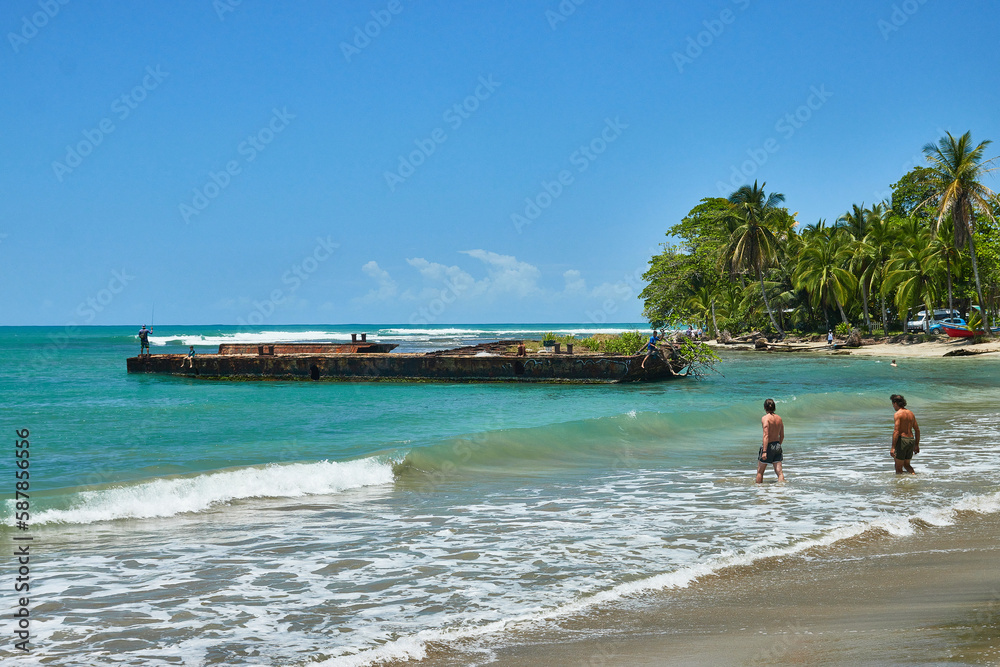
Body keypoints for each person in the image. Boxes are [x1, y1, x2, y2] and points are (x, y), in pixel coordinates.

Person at [756, 398, 785, 483]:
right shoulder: (779, 418)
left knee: (760, 472)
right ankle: (781, 489)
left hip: (768, 446)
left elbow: (766, 435)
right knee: (779, 473)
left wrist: (764, 451)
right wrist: (778, 445)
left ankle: (759, 491)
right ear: (774, 407)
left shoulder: (765, 418)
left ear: (765, 407)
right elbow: (782, 436)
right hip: (777, 445)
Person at [890, 394, 920, 474]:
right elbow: (917, 430)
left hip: (902, 441)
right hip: (911, 440)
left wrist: (893, 447)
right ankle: (914, 478)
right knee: (907, 465)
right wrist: (916, 445)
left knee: (898, 467)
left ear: (895, 403)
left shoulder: (898, 414)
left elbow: (896, 431)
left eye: (893, 404)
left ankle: (901, 486)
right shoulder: (911, 413)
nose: (893, 406)